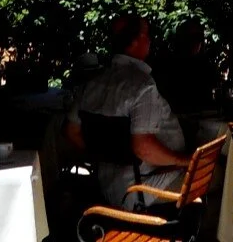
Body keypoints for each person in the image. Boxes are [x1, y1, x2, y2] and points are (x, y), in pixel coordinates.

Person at [63, 16, 187, 206]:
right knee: (216, 177)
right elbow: (143, 148)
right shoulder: (142, 86)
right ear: (135, 41)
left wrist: (103, 157)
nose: (150, 40)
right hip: (143, 188)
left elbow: (71, 131)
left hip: (105, 186)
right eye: (146, 34)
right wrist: (182, 161)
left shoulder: (92, 83)